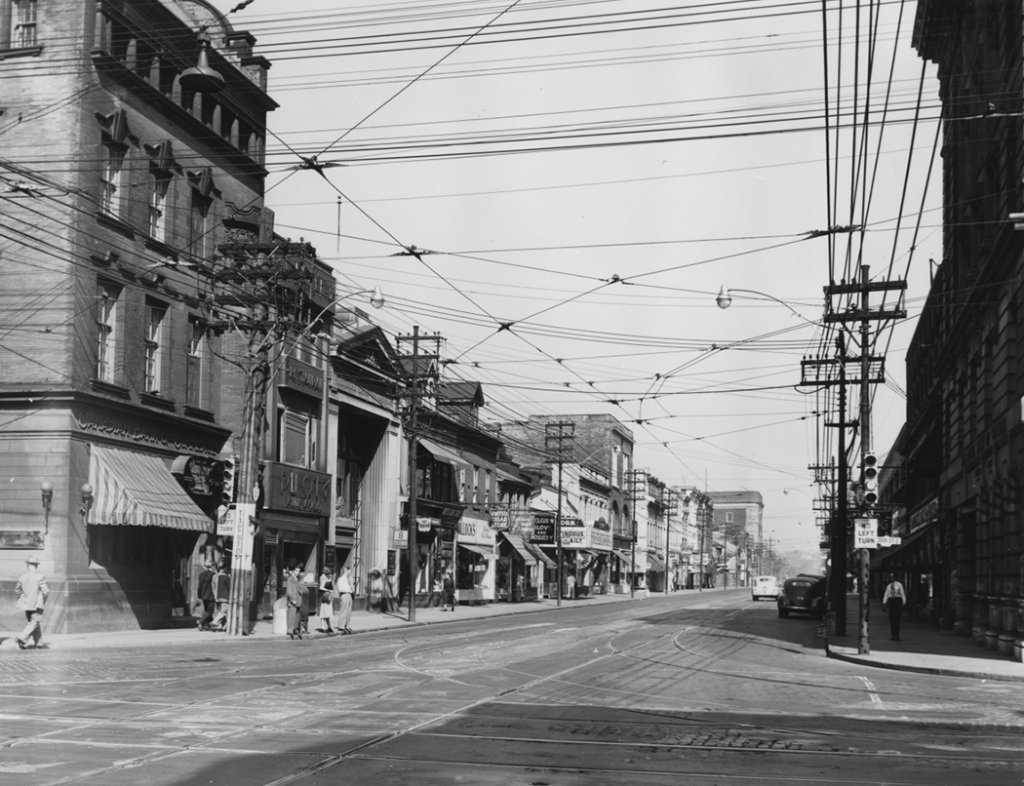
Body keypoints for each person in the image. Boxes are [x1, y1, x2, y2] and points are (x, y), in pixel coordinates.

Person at [15, 556, 49, 649]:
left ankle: (39, 642)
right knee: (34, 623)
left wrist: (23, 599)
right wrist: (42, 601)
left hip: (26, 604)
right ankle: (22, 638)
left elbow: (17, 591)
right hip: (37, 604)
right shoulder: (40, 577)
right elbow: (45, 591)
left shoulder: (22, 577)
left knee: (33, 622)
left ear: (27, 566)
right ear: (36, 566)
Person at [882, 574, 907, 641]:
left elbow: (902, 593)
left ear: (895, 577)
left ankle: (897, 635)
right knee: (891, 619)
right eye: (890, 577)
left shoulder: (899, 585)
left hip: (897, 600)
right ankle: (893, 634)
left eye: (892, 577)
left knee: (896, 619)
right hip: (891, 601)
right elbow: (886, 594)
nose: (891, 578)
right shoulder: (889, 586)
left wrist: (904, 603)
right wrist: (884, 603)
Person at [196, 560, 216, 631]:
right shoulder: (214, 574)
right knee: (210, 611)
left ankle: (207, 625)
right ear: (212, 566)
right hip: (211, 595)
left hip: (203, 595)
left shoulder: (201, 574)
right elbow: (215, 586)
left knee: (207, 610)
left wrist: (199, 596)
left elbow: (199, 586)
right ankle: (201, 621)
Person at [285, 563, 303, 639]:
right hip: (293, 601)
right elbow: (288, 591)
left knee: (297, 617)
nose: (298, 572)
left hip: (298, 600)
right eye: (296, 571)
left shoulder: (297, 579)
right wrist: (293, 600)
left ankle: (296, 629)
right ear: (292, 571)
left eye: (299, 571)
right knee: (292, 616)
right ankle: (290, 630)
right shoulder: (290, 579)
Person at [210, 563, 230, 631]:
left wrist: (214, 595)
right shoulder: (226, 577)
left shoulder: (214, 576)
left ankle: (220, 626)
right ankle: (214, 622)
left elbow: (213, 587)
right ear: (224, 568)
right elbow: (230, 587)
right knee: (224, 612)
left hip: (216, 597)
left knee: (221, 611)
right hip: (224, 597)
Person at [317, 568, 335, 634]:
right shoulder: (324, 578)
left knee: (327, 612)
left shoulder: (325, 578)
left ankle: (328, 626)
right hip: (325, 597)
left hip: (327, 597)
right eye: (330, 574)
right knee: (324, 612)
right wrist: (329, 590)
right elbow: (321, 587)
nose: (331, 575)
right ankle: (323, 627)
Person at [336, 566, 353, 634]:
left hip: (349, 595)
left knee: (348, 611)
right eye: (349, 571)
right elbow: (341, 589)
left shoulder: (348, 579)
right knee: (344, 610)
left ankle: (347, 625)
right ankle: (341, 626)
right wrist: (349, 590)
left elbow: (351, 586)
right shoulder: (341, 579)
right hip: (344, 594)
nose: (350, 573)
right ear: (346, 570)